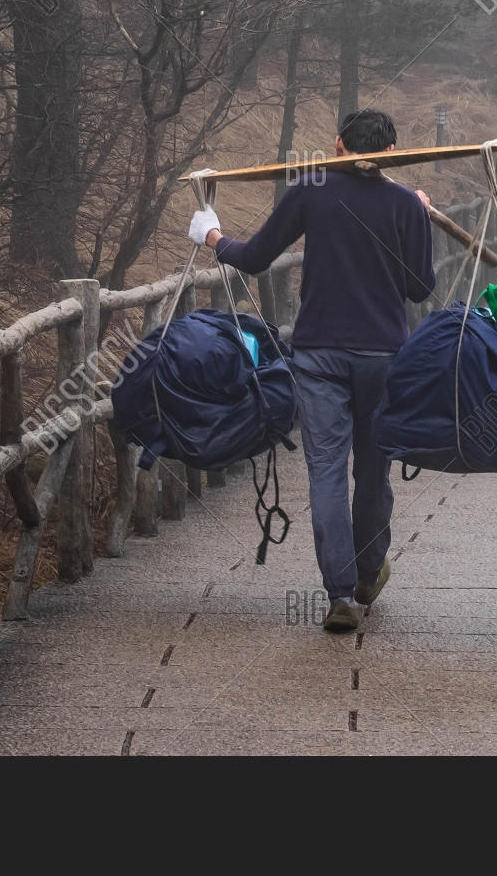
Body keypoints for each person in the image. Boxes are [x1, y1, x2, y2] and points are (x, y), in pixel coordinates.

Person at [187, 109, 435, 633]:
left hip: (318, 354)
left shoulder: (310, 190)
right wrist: (418, 217)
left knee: (325, 470)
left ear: (338, 145)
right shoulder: (405, 204)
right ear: (393, 153)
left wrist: (212, 238)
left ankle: (340, 593)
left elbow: (254, 258)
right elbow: (419, 287)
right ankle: (369, 572)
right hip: (383, 357)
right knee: (373, 470)